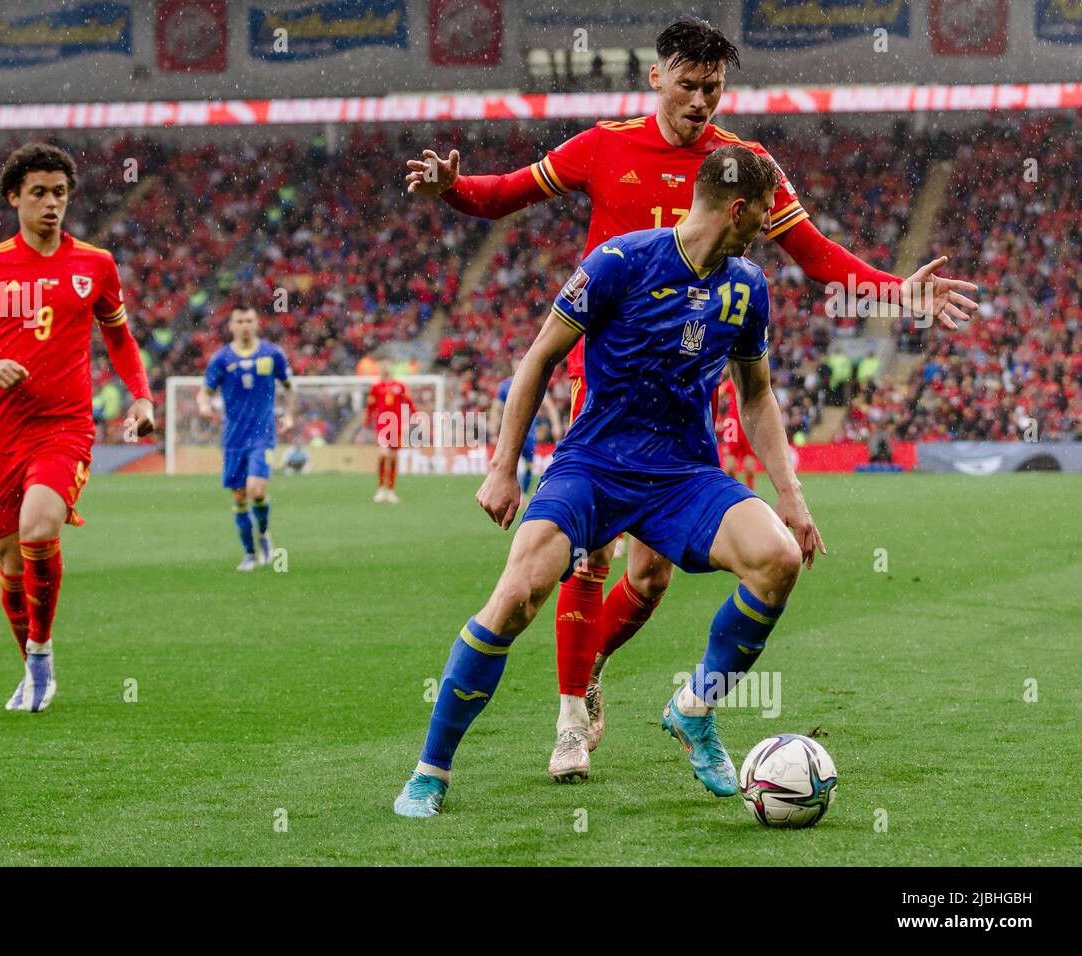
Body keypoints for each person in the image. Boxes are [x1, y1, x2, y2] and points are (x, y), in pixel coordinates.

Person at [405, 16, 978, 781]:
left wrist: (891, 291)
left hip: (685, 402)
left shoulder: (744, 170)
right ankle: (571, 717)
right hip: (604, 386)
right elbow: (503, 196)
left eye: (714, 87)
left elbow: (814, 256)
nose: (702, 100)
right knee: (585, 556)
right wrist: (454, 189)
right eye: (689, 84)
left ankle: (612, 675)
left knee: (649, 580)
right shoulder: (604, 147)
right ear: (656, 77)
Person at [394, 147, 831, 815]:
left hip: (683, 474)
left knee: (776, 561)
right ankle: (431, 771)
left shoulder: (747, 285)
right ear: (738, 209)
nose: (773, 223)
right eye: (767, 210)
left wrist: (791, 495)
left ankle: (694, 711)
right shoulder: (620, 263)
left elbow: (757, 395)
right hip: (594, 464)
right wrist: (504, 467)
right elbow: (540, 358)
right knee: (515, 598)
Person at [0, 142, 155, 713]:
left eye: (60, 193)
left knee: (40, 527)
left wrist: (140, 396)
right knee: (10, 561)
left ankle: (40, 655)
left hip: (64, 427)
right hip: (2, 433)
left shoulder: (96, 264)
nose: (51, 203)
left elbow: (119, 336)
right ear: (14, 197)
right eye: (38, 192)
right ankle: (33, 664)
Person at [198, 306, 295, 570]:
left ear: (257, 323)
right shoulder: (221, 359)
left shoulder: (272, 354)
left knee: (257, 489)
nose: (244, 325)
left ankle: (263, 534)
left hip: (262, 434)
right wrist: (204, 405)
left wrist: (288, 415)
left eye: (249, 320)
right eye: (239, 320)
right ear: (231, 325)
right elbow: (204, 391)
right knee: (239, 497)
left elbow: (289, 388)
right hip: (233, 438)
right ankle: (250, 554)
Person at [490, 366, 563, 497]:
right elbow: (496, 408)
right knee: (508, 463)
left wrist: (556, 424)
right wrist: (494, 430)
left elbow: (550, 406)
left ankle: (522, 494)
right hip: (509, 434)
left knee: (529, 464)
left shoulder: (534, 382)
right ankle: (506, 493)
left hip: (529, 434)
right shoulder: (506, 385)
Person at [364, 359, 414, 503]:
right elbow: (370, 407)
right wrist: (367, 423)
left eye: (388, 364)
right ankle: (381, 489)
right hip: (382, 427)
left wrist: (415, 414)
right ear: (380, 368)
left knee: (392, 458)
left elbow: (409, 403)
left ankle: (391, 491)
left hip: (396, 427)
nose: (386, 367)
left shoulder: (399, 386)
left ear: (391, 368)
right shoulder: (376, 387)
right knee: (383, 455)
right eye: (383, 365)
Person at [716, 367, 757, 490]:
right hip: (733, 426)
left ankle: (750, 493)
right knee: (728, 469)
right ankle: (738, 490)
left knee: (749, 469)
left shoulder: (751, 384)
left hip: (747, 425)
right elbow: (717, 395)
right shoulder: (731, 384)